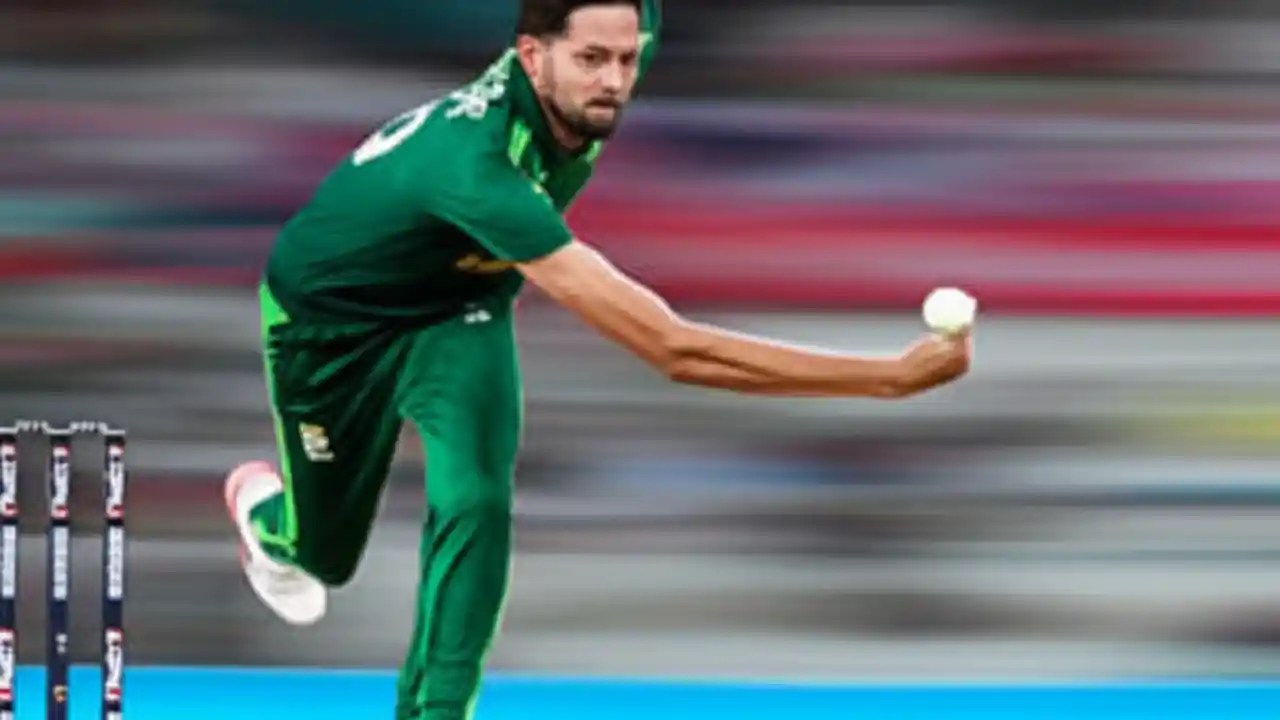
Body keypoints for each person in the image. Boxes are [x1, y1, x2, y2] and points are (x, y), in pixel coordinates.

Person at [222, 0, 972, 718]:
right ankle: (262, 511)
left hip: (460, 305)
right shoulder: (478, 170)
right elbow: (674, 349)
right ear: (531, 57)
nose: (613, 81)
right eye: (590, 60)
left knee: (476, 500)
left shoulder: (602, 52)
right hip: (331, 325)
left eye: (626, 59)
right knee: (323, 557)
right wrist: (888, 379)